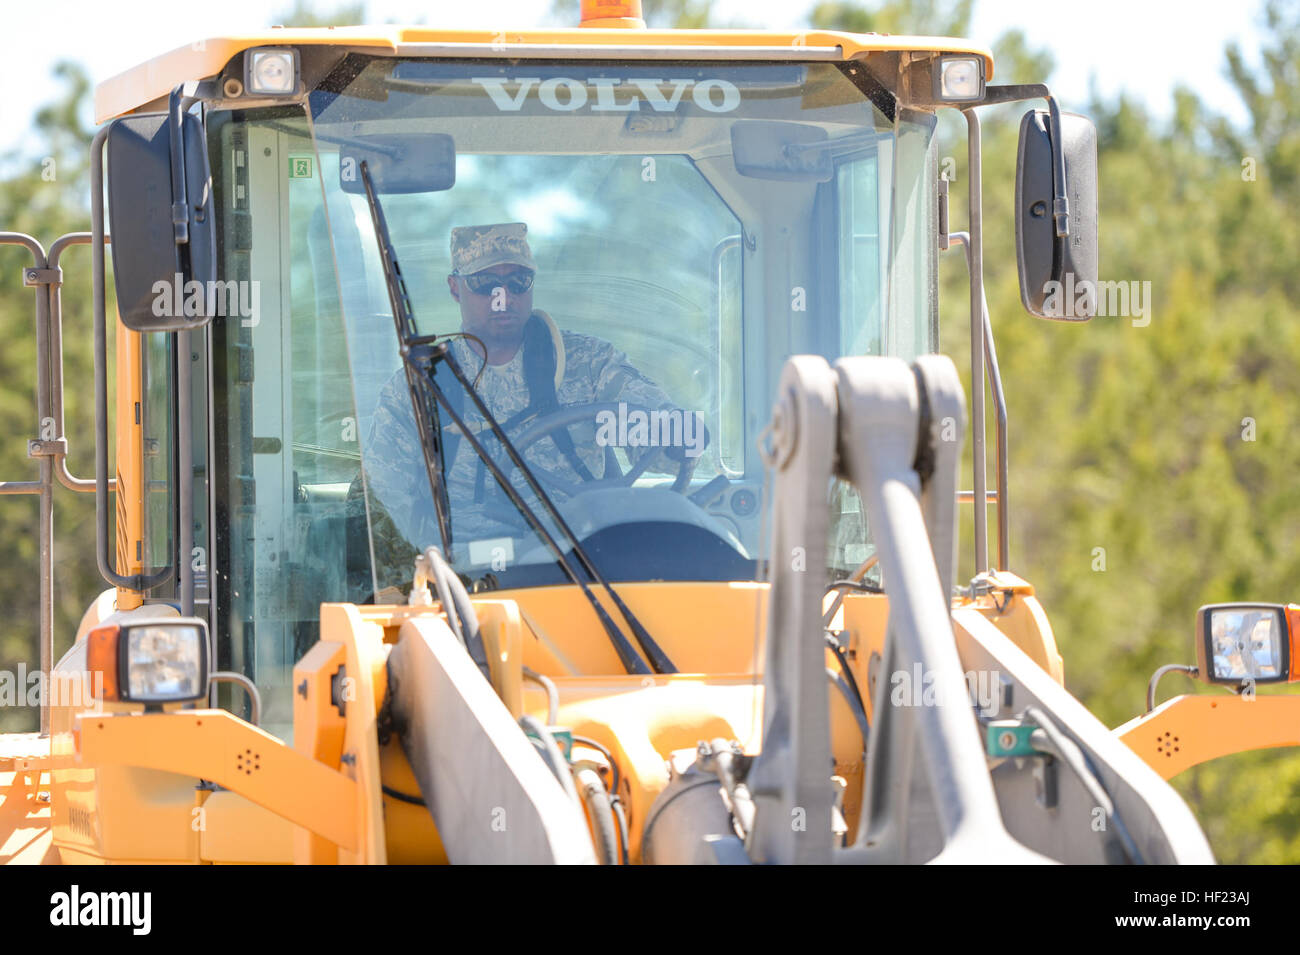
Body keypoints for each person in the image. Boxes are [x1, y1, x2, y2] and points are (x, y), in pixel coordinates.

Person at [362, 222, 698, 584]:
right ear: (455, 288)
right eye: (485, 284)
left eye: (517, 282)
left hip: (583, 567)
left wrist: (675, 431)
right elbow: (383, 503)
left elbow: (650, 423)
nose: (503, 296)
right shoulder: (420, 387)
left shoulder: (588, 364)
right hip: (472, 581)